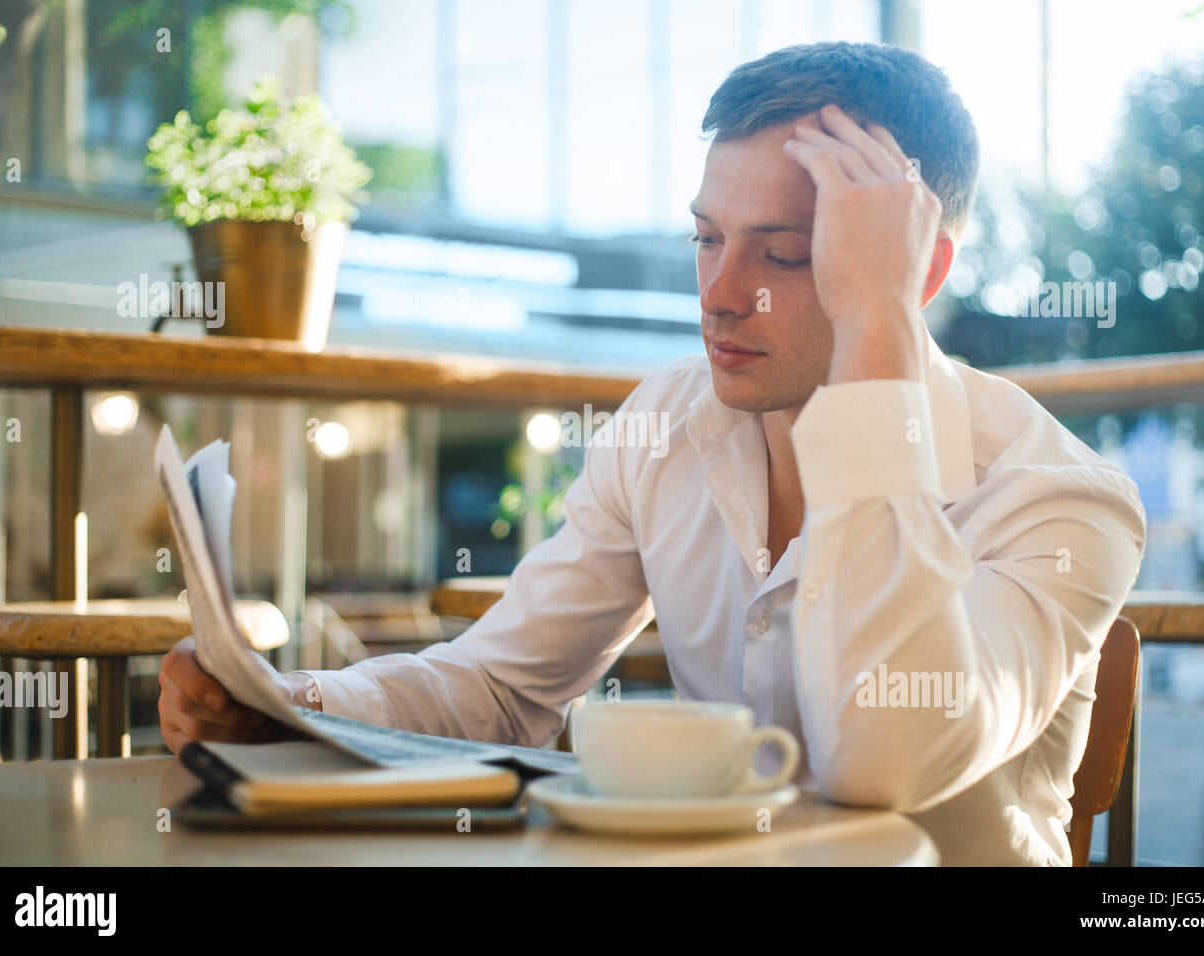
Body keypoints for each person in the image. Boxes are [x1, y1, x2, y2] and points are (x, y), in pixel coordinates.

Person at [158, 41, 1146, 866]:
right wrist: (296, 703)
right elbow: (505, 685)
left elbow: (883, 762)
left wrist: (874, 330)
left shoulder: (1062, 501)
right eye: (706, 238)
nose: (719, 292)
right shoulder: (669, 420)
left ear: (915, 266)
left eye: (785, 254)